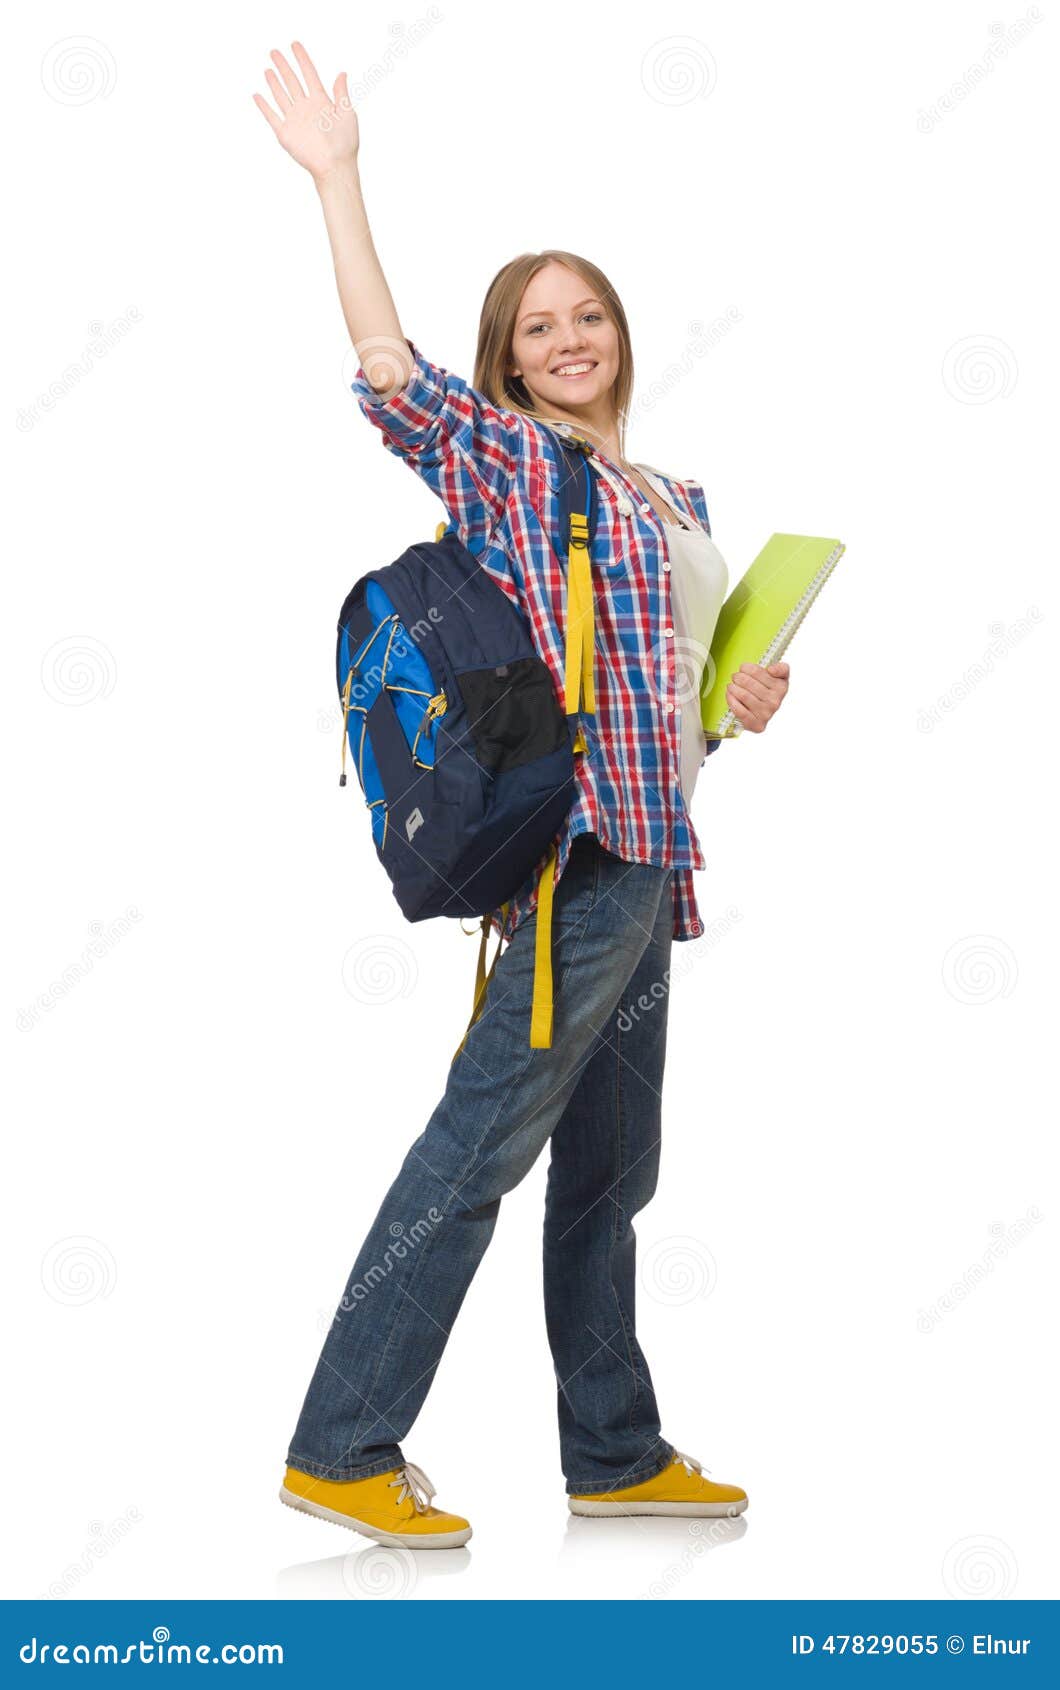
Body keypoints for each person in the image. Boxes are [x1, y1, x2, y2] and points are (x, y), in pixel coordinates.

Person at [255, 41, 790, 1552]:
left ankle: (612, 1451)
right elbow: (391, 375)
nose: (569, 339)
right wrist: (339, 177)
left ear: (621, 333)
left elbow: (669, 700)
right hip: (577, 860)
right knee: (479, 1143)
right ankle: (343, 1443)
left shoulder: (670, 495)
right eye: (538, 325)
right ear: (509, 356)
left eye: (587, 315)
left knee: (612, 1172)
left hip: (656, 856)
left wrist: (736, 703)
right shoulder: (509, 461)